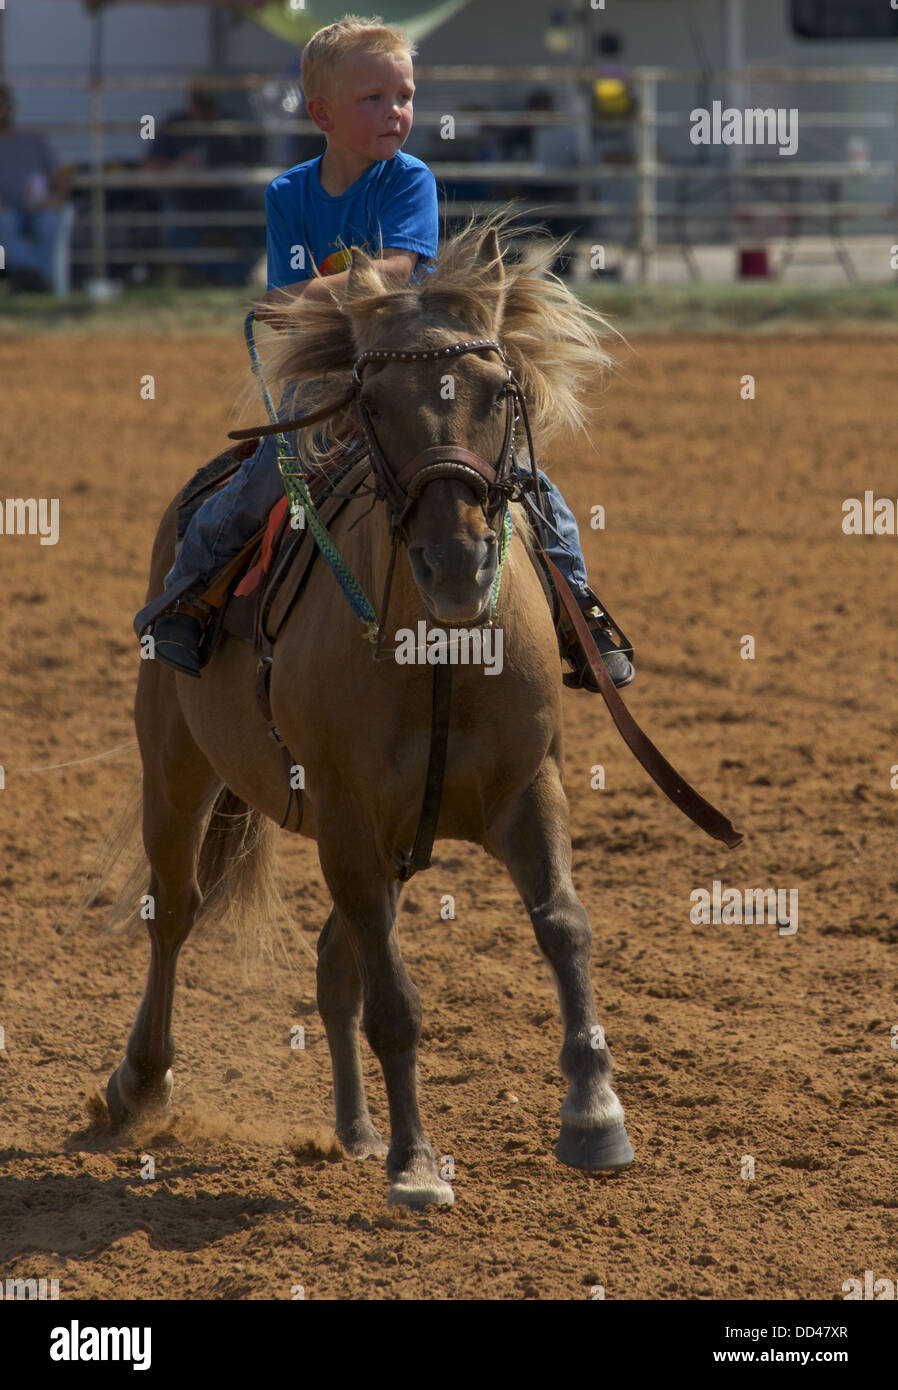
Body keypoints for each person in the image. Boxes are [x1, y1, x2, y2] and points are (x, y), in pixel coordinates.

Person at [136, 16, 633, 690]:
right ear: (322, 112)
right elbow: (285, 294)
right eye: (373, 99)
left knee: (520, 476)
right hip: (338, 366)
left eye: (404, 96)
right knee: (263, 478)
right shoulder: (288, 194)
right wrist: (295, 300)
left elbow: (397, 270)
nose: (395, 112)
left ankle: (580, 616)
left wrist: (304, 294)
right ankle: (189, 595)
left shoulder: (410, 179)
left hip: (419, 366)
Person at [0, 83, 70, 293]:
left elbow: (60, 177)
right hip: (5, 210)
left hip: (37, 207)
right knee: (4, 222)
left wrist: (56, 198)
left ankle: (35, 280)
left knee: (50, 222)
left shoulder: (34, 141)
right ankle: (38, 280)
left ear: (11, 108)